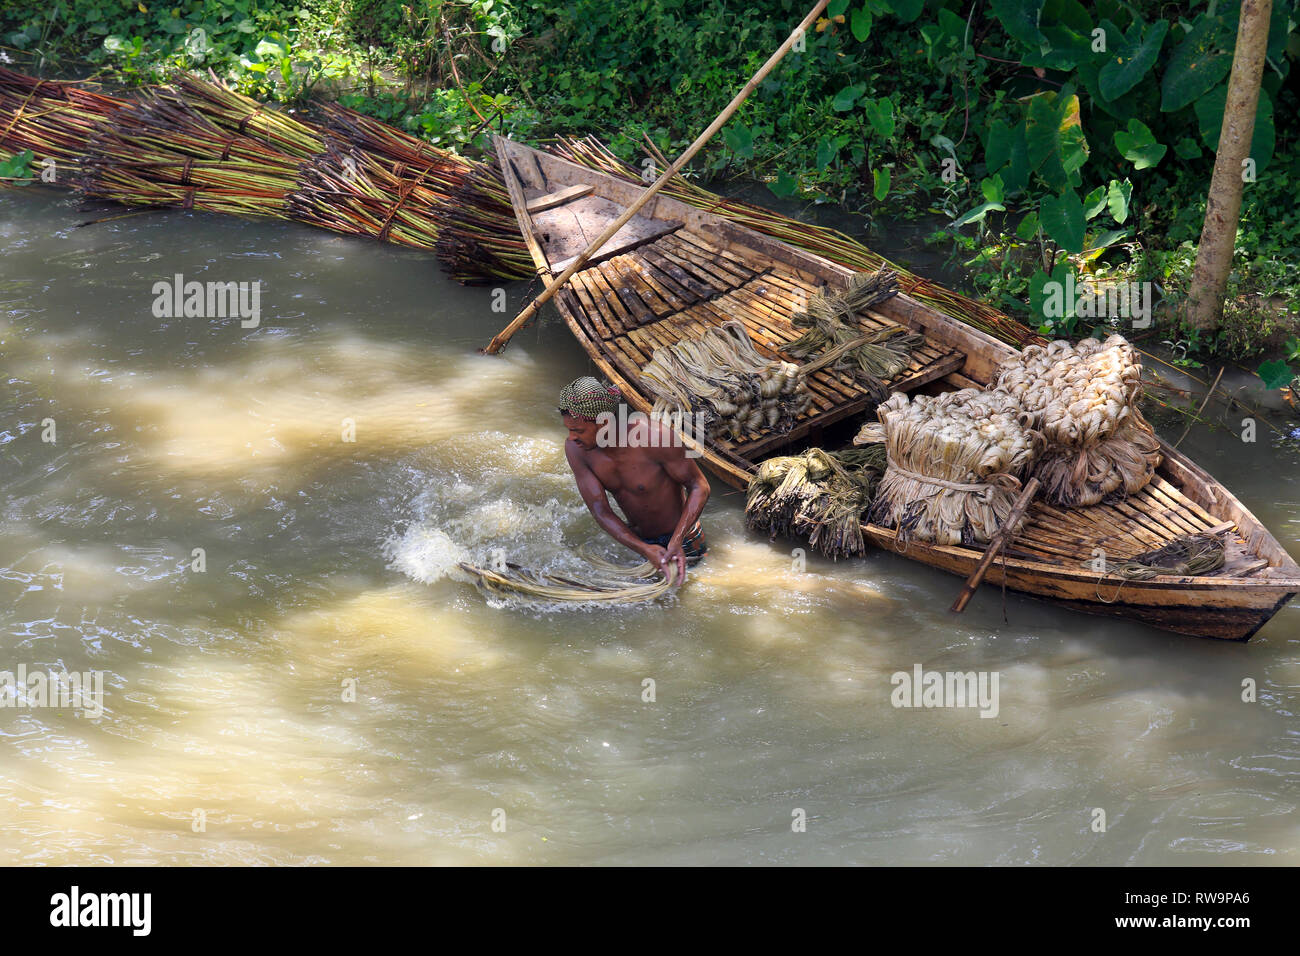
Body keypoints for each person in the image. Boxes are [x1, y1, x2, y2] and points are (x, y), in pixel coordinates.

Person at [559, 376, 710, 584]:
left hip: (683, 539)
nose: (572, 437)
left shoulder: (654, 437)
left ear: (604, 422)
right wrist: (643, 548)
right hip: (641, 542)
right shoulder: (577, 450)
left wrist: (677, 540)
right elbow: (600, 510)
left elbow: (700, 486)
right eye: (568, 429)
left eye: (578, 430)